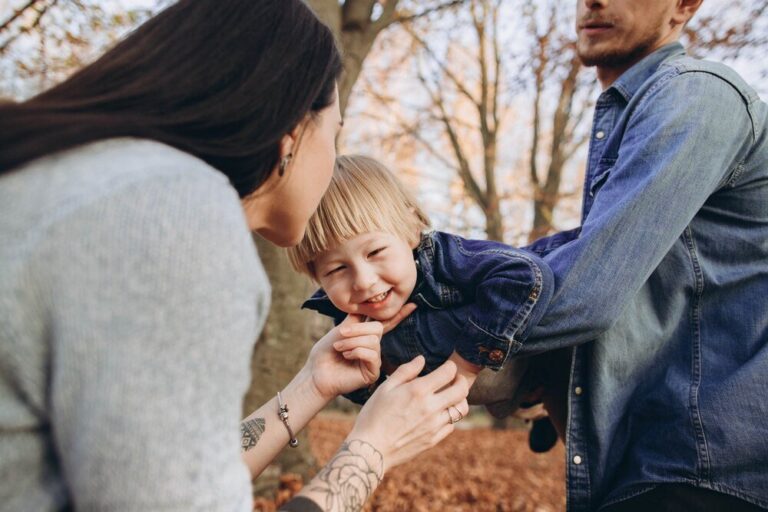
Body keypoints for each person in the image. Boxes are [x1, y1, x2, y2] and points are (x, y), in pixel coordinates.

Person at [0, 2, 470, 511]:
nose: (333, 158)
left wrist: (312, 385)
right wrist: (372, 449)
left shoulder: (95, 185)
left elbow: (171, 479)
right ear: (292, 133)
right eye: (334, 134)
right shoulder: (174, 217)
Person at [482, 0, 768, 510]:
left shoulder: (696, 95)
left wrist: (415, 313)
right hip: (654, 471)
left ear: (684, 6)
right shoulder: (635, 121)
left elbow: (583, 294)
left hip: (708, 475)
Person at [287, 154, 560, 451]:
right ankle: (532, 409)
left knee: (560, 374)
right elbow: (363, 390)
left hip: (534, 362)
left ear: (411, 229)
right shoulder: (346, 319)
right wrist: (369, 377)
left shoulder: (447, 259)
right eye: (336, 270)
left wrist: (464, 365)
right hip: (499, 395)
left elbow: (526, 275)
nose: (363, 281)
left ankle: (543, 405)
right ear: (317, 277)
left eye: (375, 251)